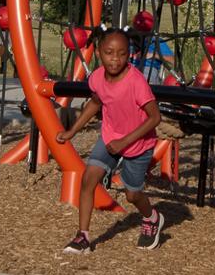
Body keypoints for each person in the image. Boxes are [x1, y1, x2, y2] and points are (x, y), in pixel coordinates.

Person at [56, 28, 166, 254]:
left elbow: (155, 118)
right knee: (88, 179)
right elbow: (95, 103)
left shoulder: (136, 83)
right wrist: (72, 131)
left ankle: (152, 217)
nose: (115, 59)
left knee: (132, 195)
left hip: (137, 144)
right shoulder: (96, 77)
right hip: (110, 137)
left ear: (130, 55)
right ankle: (83, 237)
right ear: (99, 52)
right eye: (109, 53)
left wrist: (124, 141)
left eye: (122, 54)